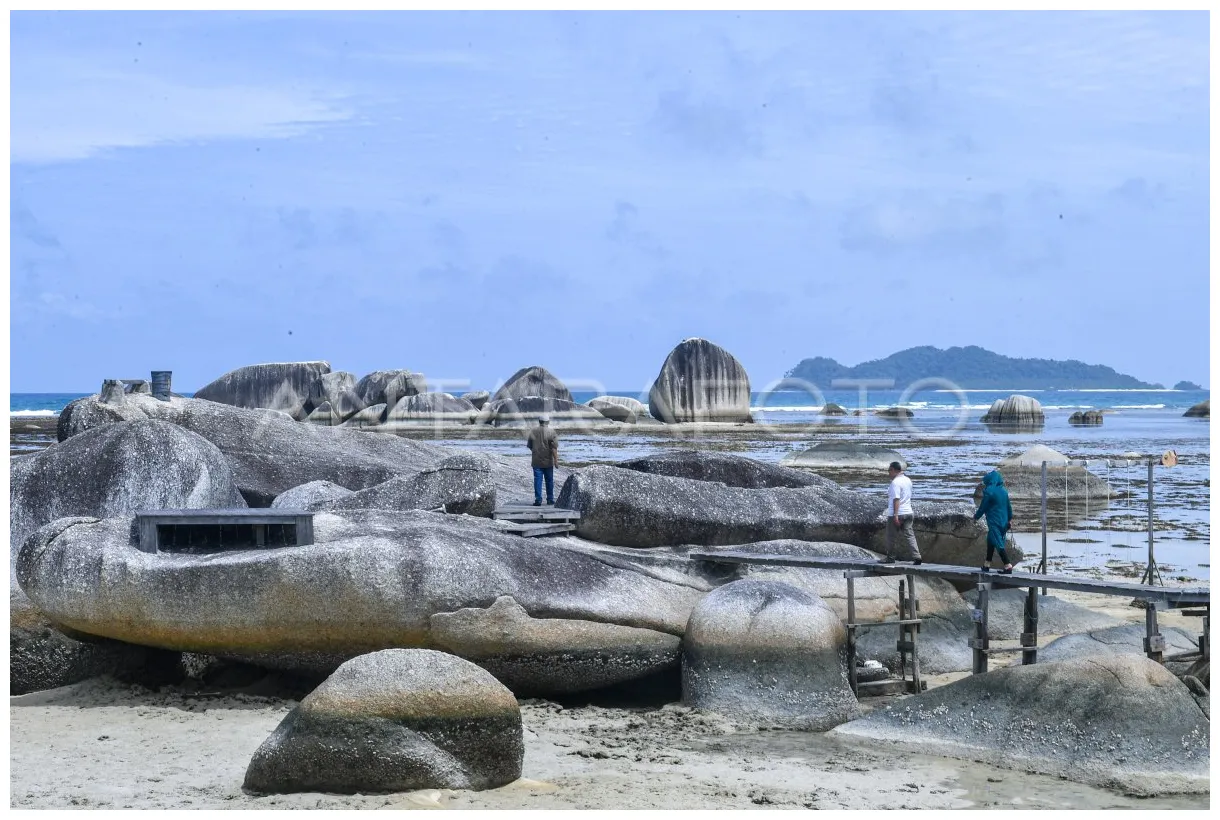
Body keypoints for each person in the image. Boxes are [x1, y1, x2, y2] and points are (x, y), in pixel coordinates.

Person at [973, 470, 1015, 573]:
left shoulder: (989, 492)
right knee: (991, 540)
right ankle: (986, 565)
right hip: (1004, 521)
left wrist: (976, 517)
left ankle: (1008, 565)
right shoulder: (1004, 491)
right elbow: (1009, 507)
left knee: (998, 542)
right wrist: (1010, 519)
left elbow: (983, 507)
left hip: (994, 521)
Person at [882, 461, 922, 564]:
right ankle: (917, 556)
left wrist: (895, 515)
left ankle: (890, 558)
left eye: (889, 470)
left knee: (891, 537)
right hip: (908, 512)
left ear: (894, 470)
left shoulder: (895, 483)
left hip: (897, 513)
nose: (889, 473)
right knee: (910, 536)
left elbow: (896, 499)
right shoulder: (908, 480)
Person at [525, 414, 559, 506]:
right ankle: (550, 499)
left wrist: (536, 452)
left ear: (539, 421)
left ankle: (538, 500)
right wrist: (556, 461)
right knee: (549, 481)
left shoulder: (533, 431)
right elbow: (554, 448)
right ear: (548, 422)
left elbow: (530, 446)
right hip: (548, 461)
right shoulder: (552, 432)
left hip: (536, 460)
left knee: (537, 480)